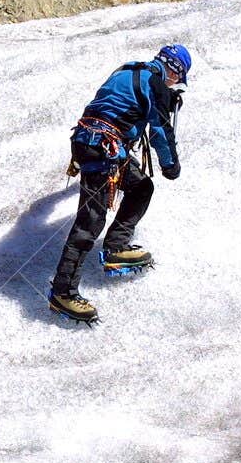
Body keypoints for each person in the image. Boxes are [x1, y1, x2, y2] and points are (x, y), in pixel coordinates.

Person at [48, 45, 189, 324]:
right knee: (90, 222)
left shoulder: (126, 69)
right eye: (177, 79)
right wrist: (171, 166)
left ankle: (116, 247)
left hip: (92, 143)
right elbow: (160, 131)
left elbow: (109, 105)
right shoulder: (155, 83)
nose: (174, 84)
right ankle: (63, 292)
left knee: (141, 187)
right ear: (175, 71)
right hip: (105, 150)